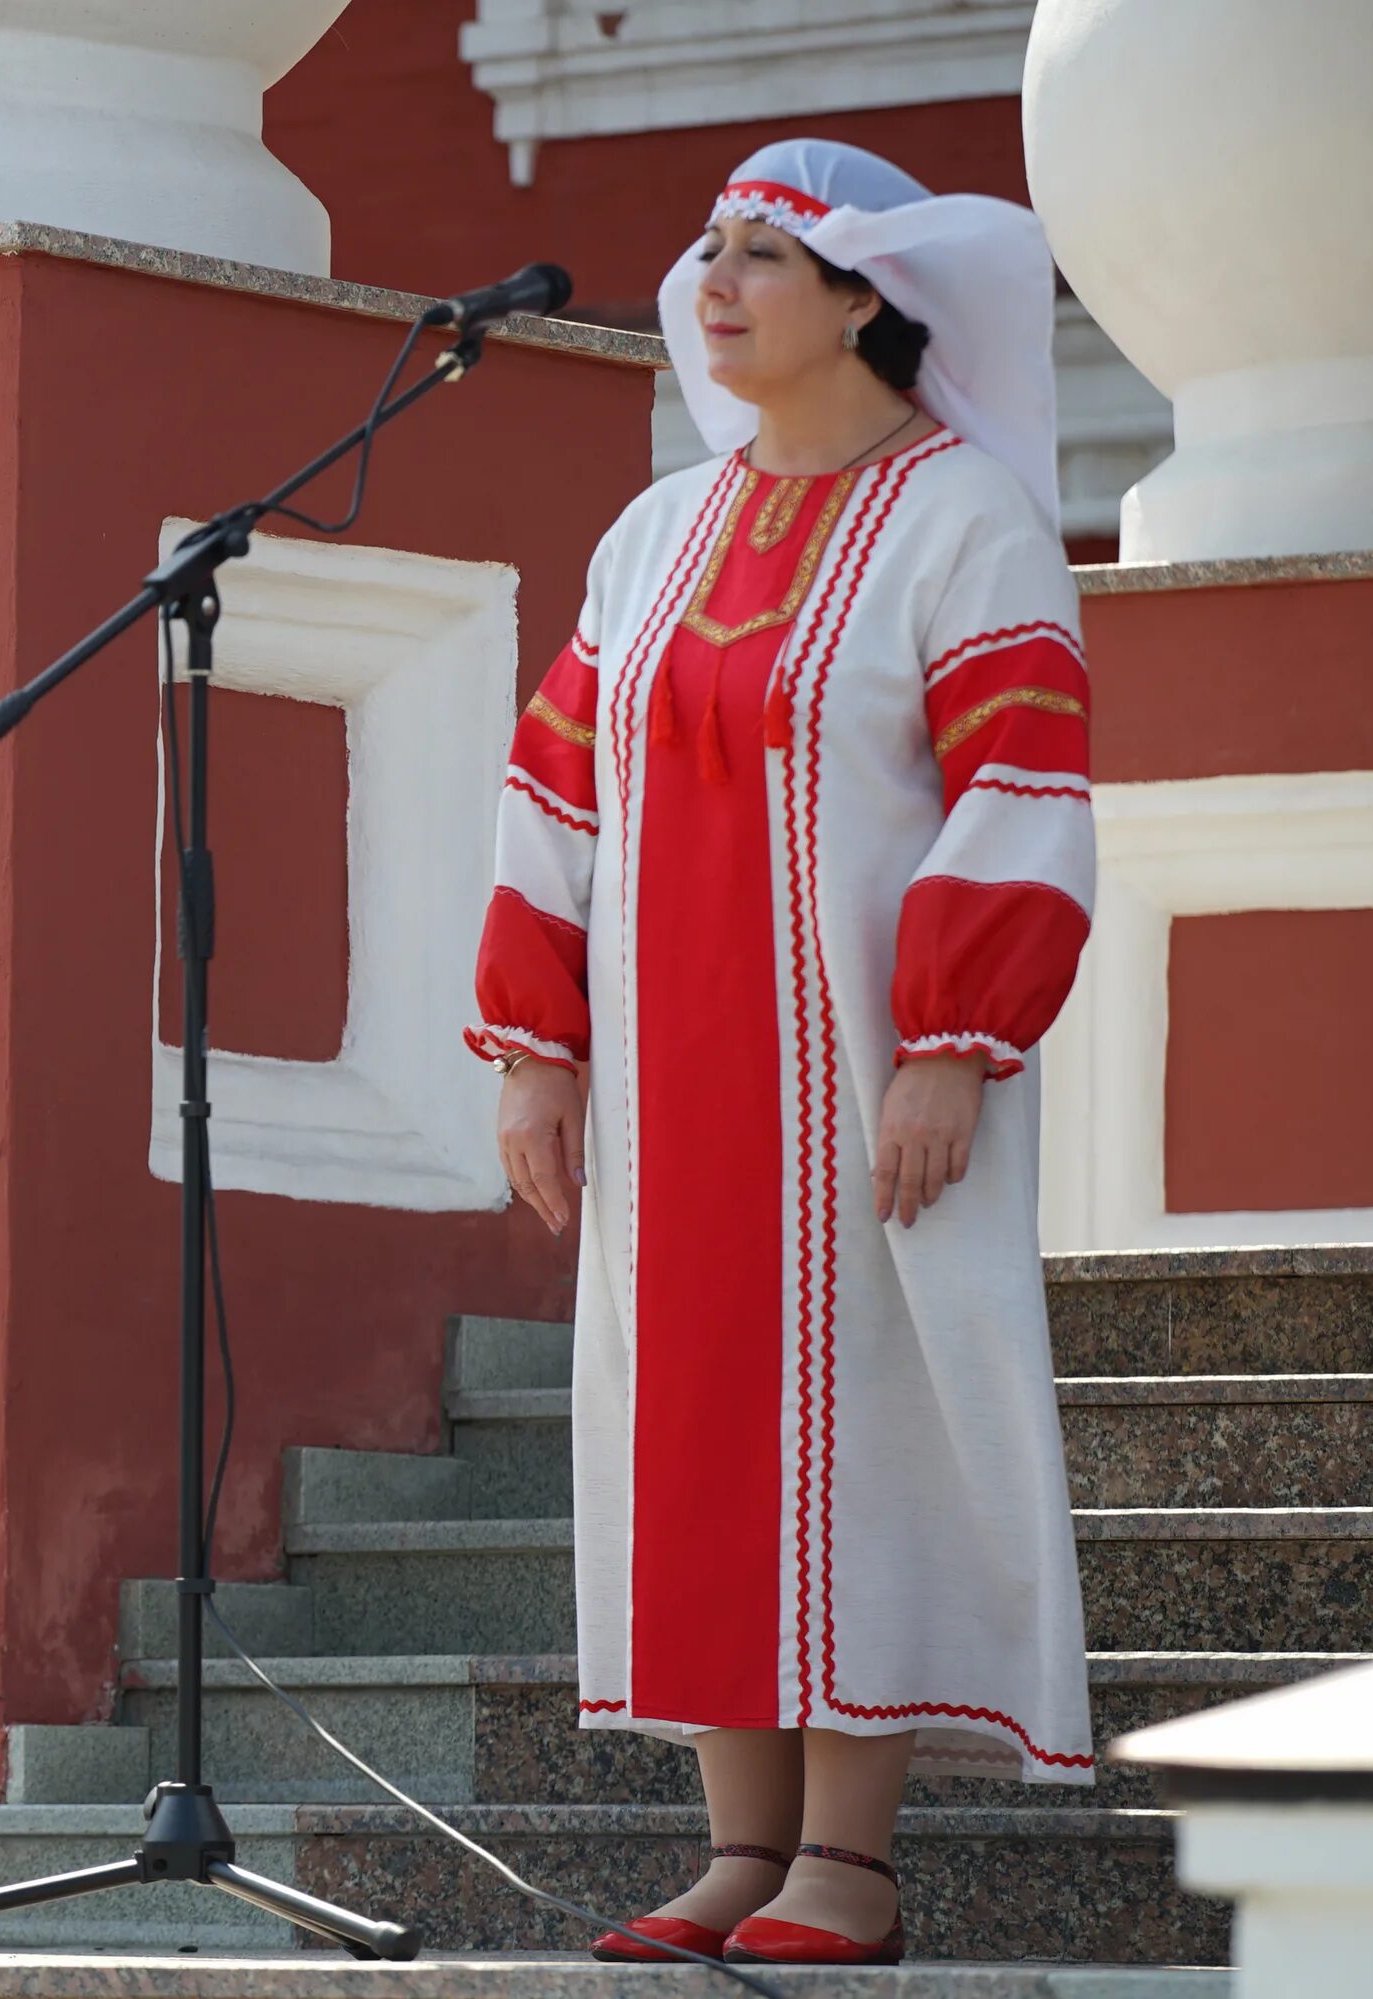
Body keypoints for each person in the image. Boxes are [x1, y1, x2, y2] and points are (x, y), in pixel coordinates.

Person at [468, 139, 1095, 1969]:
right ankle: (739, 1845)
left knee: (863, 1424)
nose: (712, 281)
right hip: (671, 1088)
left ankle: (854, 1862)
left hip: (863, 1071)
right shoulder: (652, 535)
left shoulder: (968, 516)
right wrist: (539, 1047)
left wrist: (953, 1045)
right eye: (711, 250)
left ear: (865, 302)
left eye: (761, 254)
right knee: (698, 1424)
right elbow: (554, 796)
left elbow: (1021, 782)